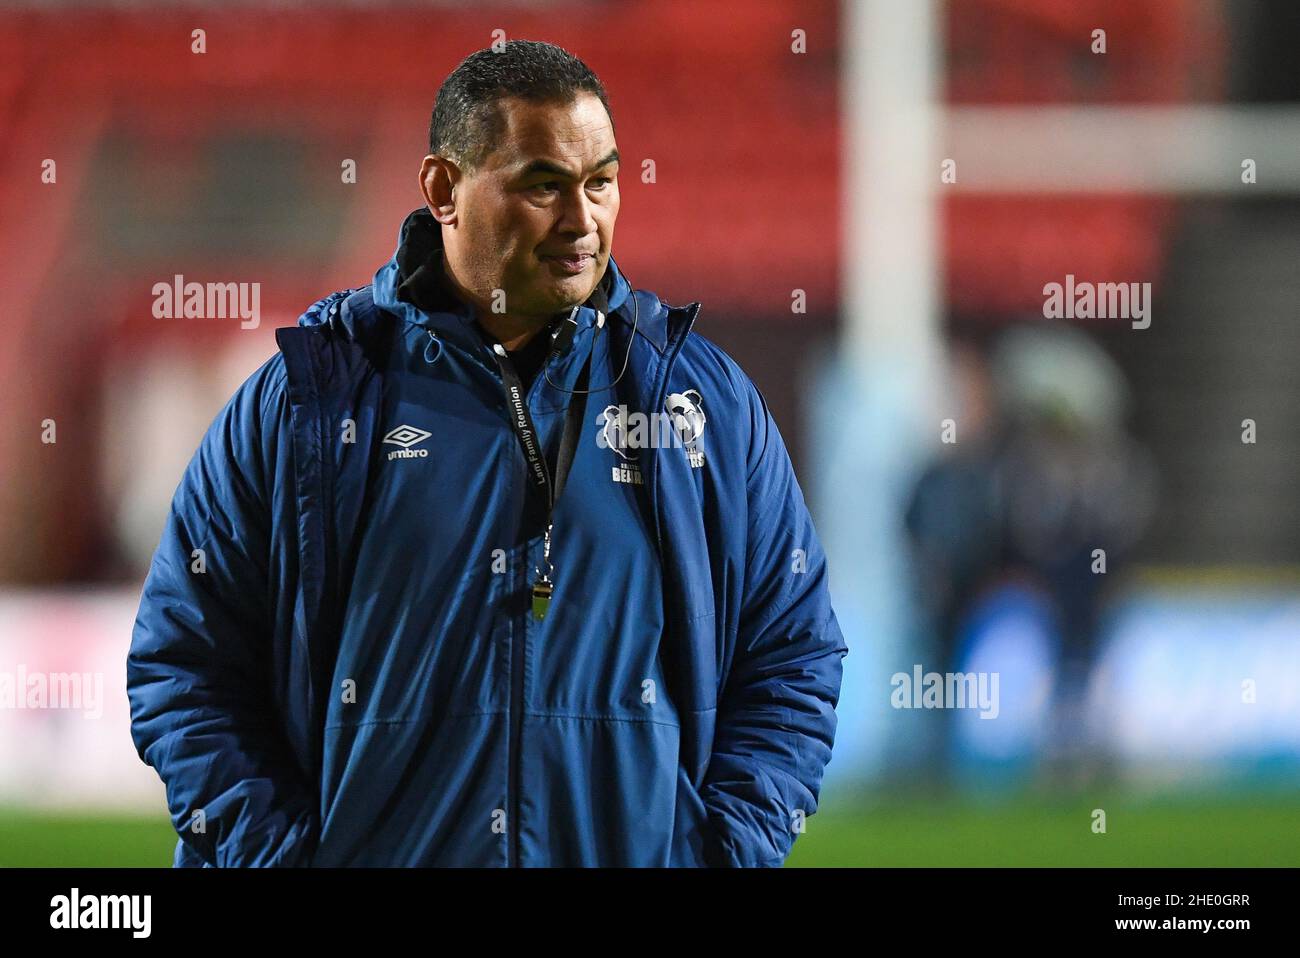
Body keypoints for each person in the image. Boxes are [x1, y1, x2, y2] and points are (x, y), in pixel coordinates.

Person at [127, 39, 847, 867]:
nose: (583, 219)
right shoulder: (310, 402)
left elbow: (794, 653)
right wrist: (274, 858)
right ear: (444, 190)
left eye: (602, 182)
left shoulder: (700, 405)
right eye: (544, 184)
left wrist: (728, 850)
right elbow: (183, 663)